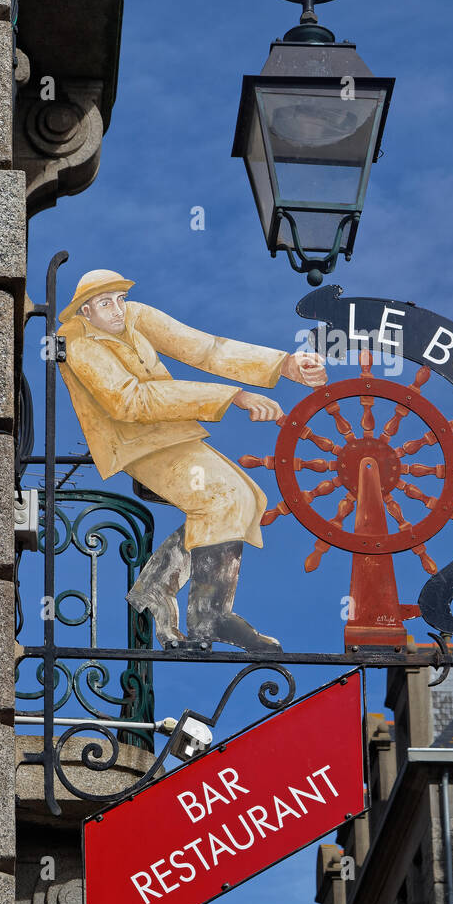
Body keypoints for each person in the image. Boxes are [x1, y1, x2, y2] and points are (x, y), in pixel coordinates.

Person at [57, 269, 325, 650]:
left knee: (243, 500)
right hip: (133, 442)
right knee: (220, 498)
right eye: (105, 303)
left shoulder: (134, 316)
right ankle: (209, 616)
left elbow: (204, 348)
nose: (117, 310)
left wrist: (282, 365)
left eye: (119, 298)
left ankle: (162, 592)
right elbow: (131, 400)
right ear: (85, 310)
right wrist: (233, 397)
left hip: (172, 431)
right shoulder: (76, 341)